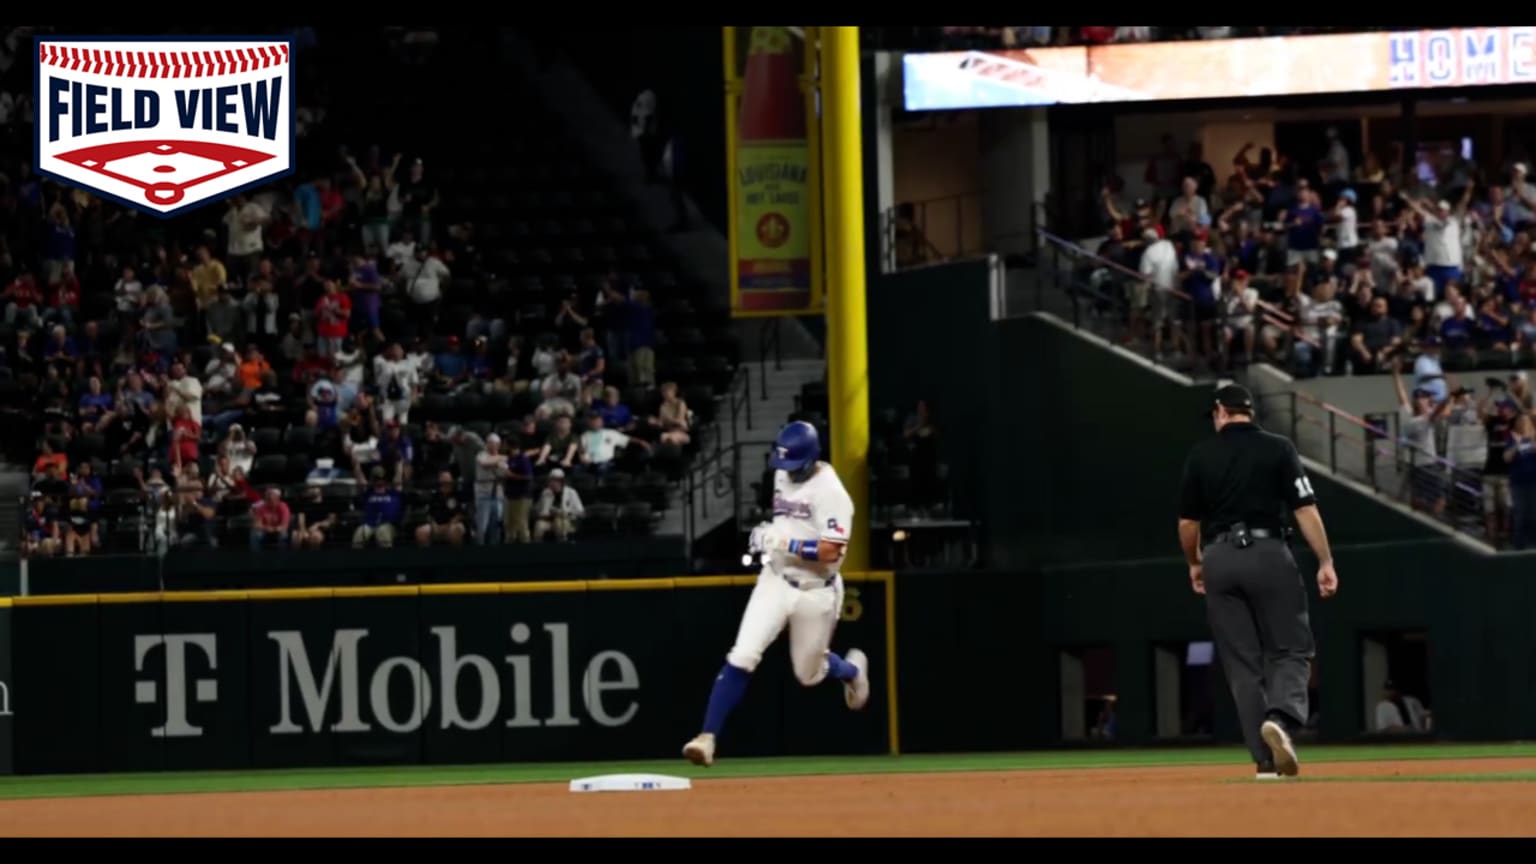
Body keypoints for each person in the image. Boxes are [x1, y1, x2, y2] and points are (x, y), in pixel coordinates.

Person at [681, 421, 871, 767]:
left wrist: (787, 543)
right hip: (776, 579)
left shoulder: (832, 493)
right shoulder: (783, 475)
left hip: (817, 591)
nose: (785, 472)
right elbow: (786, 520)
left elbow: (832, 552)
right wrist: (768, 533)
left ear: (812, 459)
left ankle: (852, 672)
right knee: (743, 653)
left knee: (808, 673)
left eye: (792, 465)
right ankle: (706, 737)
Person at [1177, 384, 1339, 780]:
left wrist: (1195, 562)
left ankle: (1265, 761)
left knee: (1242, 666)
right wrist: (1325, 560)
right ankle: (1281, 722)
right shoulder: (1279, 447)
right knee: (1290, 649)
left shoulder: (1200, 455)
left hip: (1218, 557)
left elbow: (1187, 523)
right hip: (1268, 553)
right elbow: (1304, 508)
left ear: (1221, 411)